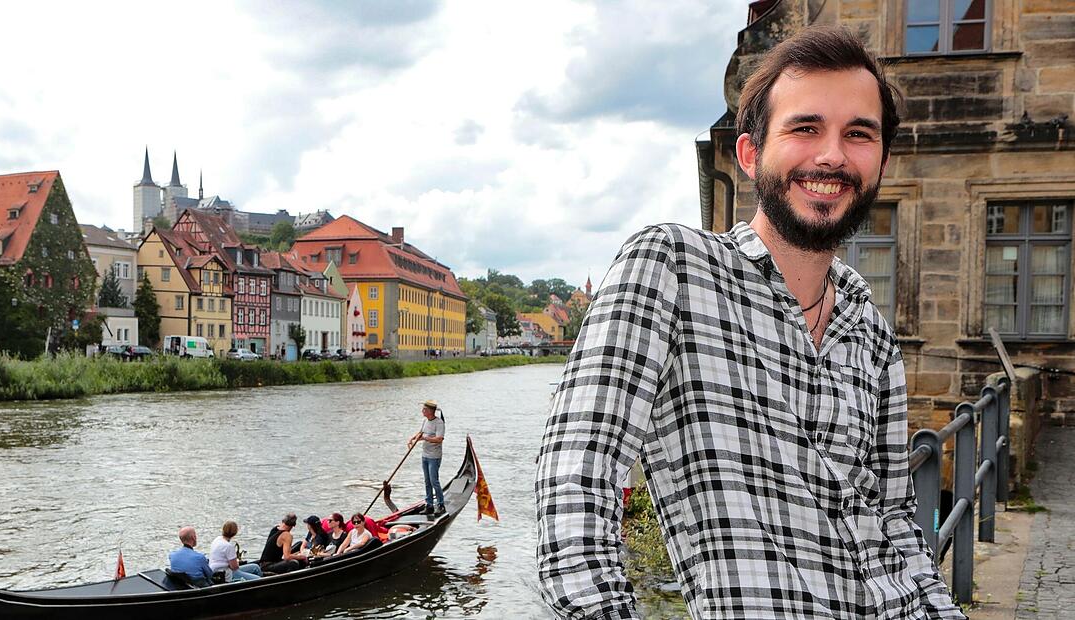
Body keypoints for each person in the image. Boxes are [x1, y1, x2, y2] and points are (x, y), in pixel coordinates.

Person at [536, 25, 964, 620]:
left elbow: (893, 518)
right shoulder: (673, 270)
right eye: (805, 128)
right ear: (748, 154)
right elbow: (575, 481)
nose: (833, 155)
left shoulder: (868, 321)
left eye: (858, 134)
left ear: (881, 162)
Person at [409, 400, 445, 516]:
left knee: (434, 481)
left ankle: (441, 504)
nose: (422, 411)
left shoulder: (439, 423)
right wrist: (413, 439)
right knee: (427, 481)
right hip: (425, 455)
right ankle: (429, 505)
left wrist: (425, 438)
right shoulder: (425, 421)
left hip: (434, 456)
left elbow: (439, 439)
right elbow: (421, 433)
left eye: (424, 409)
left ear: (430, 411)